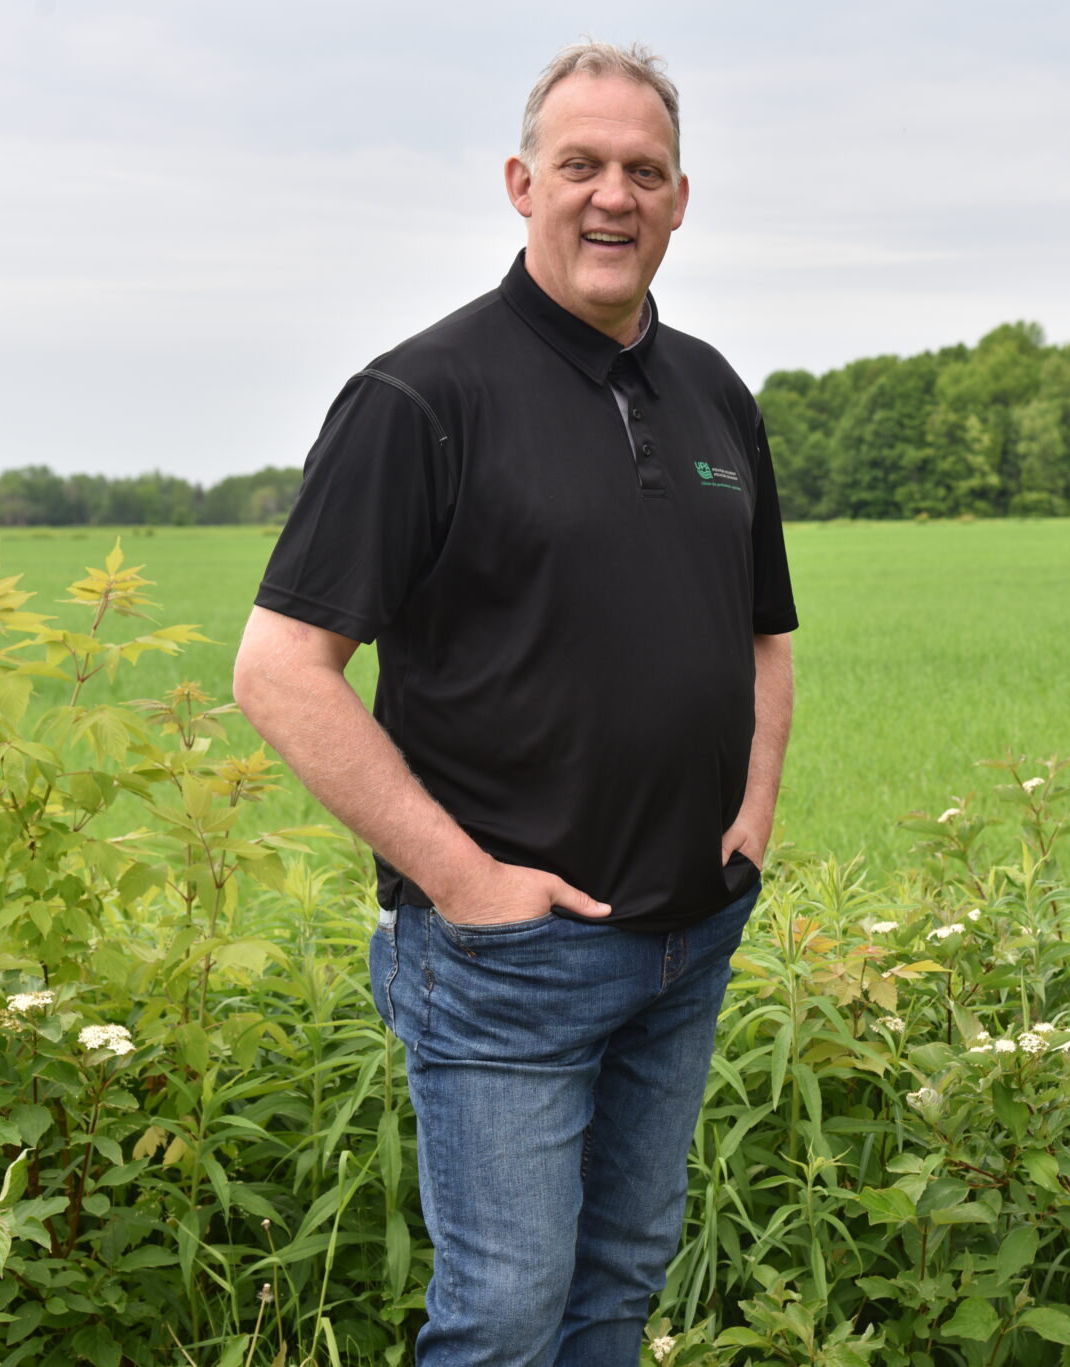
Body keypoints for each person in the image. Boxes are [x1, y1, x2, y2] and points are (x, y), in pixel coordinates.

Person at [232, 40, 797, 1367]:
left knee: (614, 1298)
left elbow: (765, 639)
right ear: (520, 182)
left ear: (680, 198)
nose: (614, 197)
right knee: (502, 1321)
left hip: (688, 938)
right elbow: (278, 671)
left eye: (642, 172)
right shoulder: (422, 399)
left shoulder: (713, 391)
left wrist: (751, 822)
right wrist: (466, 880)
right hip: (508, 963)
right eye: (582, 166)